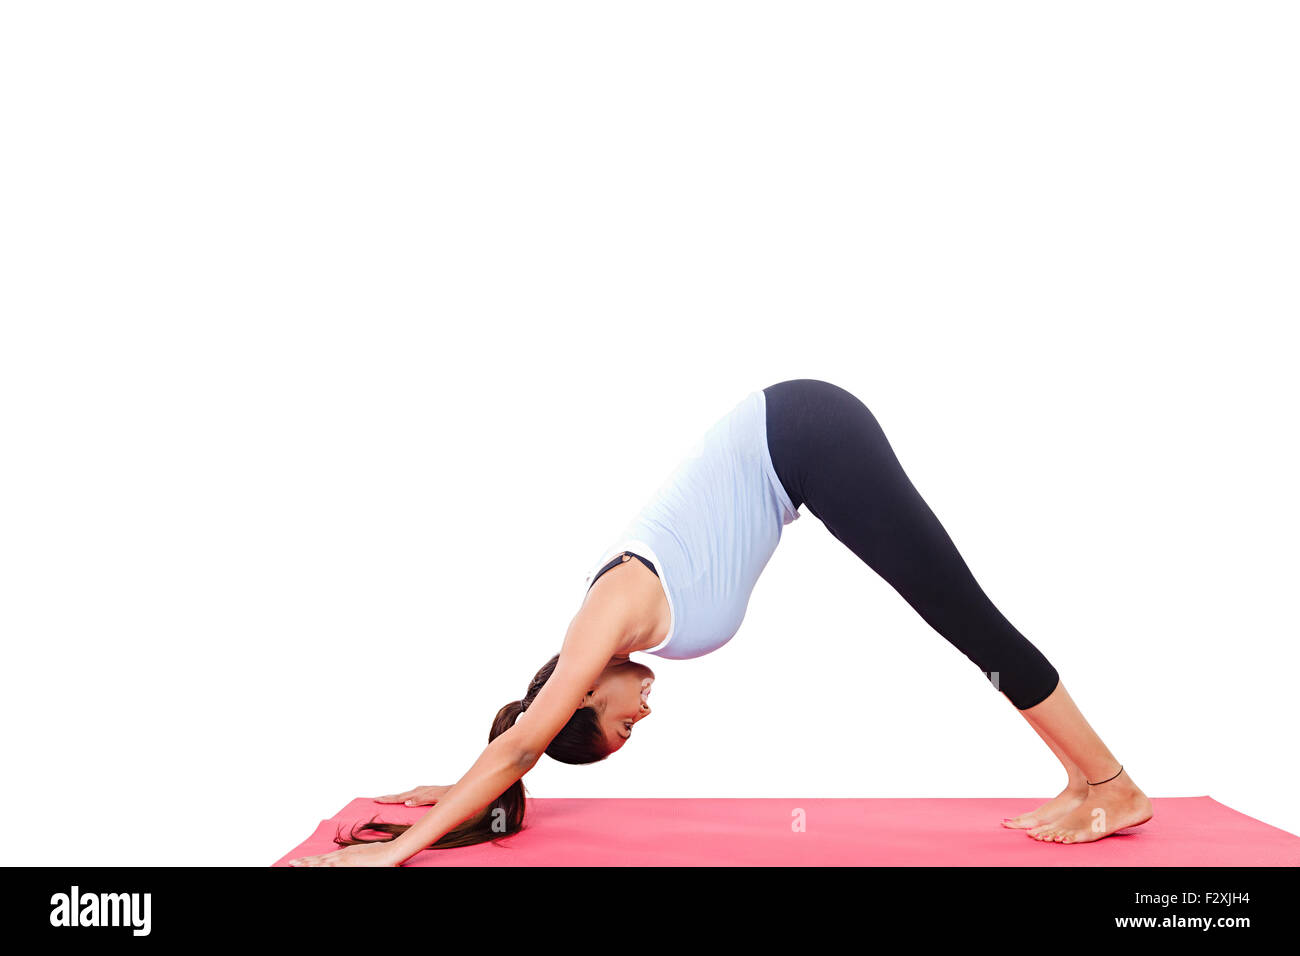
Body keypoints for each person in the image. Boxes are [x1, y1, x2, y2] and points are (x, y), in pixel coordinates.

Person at [289, 379, 1151, 866]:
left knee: (962, 616)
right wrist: (464, 781)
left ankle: (1110, 784)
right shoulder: (605, 638)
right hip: (799, 452)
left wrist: (388, 855)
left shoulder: (607, 611)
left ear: (581, 691)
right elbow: (517, 744)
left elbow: (520, 744)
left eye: (626, 720)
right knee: (957, 616)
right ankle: (1086, 780)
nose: (646, 711)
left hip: (805, 435)